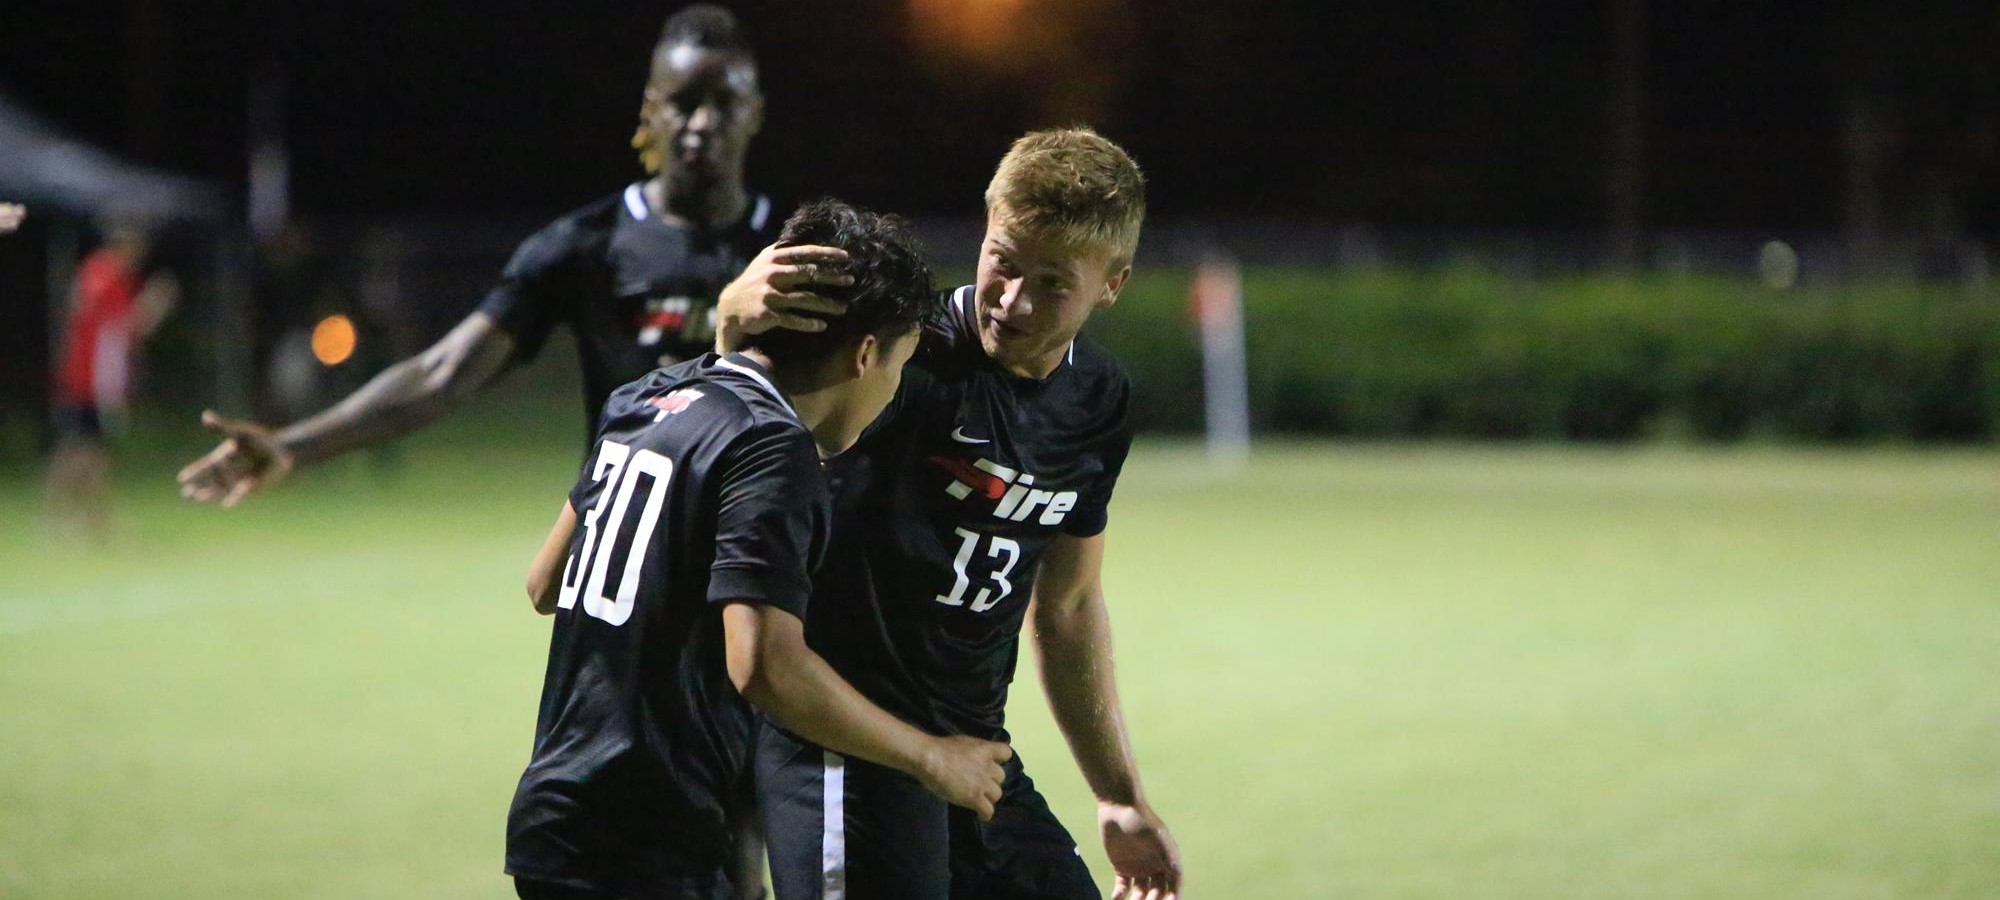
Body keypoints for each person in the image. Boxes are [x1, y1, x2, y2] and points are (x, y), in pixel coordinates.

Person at [719, 128, 1182, 899]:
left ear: (1113, 283)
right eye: (1003, 261)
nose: (1015, 299)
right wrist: (732, 325)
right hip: (842, 745)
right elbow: (733, 425)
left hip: (972, 752)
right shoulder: (899, 353)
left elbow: (1065, 606)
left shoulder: (1099, 400)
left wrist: (1118, 794)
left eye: (1053, 282)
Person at [509, 199, 1012, 900]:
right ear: (866, 354)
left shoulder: (648, 397)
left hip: (556, 817)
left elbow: (545, 583)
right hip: (647, 837)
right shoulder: (772, 446)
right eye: (898, 365)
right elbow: (766, 667)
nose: (893, 390)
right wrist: (932, 758)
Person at [176, 4, 814, 505]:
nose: (702, 122)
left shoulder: (797, 247)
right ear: (651, 109)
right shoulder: (587, 245)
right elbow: (442, 373)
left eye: (723, 102)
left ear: (754, 112)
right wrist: (292, 445)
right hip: (629, 560)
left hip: (762, 548)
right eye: (683, 102)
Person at [46, 221, 178, 539]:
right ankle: (65, 523)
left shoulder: (98, 273)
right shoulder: (107, 276)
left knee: (91, 453)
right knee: (82, 454)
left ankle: (92, 523)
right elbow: (127, 328)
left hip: (91, 378)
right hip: (92, 380)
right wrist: (156, 303)